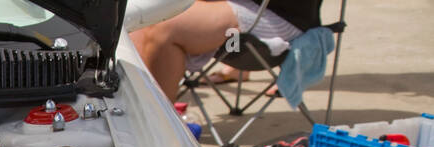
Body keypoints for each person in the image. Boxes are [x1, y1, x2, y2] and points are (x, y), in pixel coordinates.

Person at [131, 0, 322, 96]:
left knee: (163, 28)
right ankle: (137, 118)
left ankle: (162, 130)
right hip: (232, 10)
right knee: (136, 18)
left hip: (276, 18)